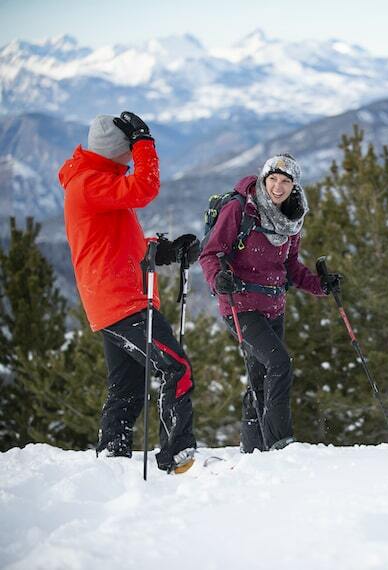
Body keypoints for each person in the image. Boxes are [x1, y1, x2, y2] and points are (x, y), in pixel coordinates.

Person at [59, 112, 199, 473]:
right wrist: (145, 143)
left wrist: (162, 249)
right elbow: (145, 189)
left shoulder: (94, 180)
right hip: (121, 302)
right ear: (118, 150)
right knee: (176, 368)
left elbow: (118, 243)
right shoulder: (90, 182)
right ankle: (178, 454)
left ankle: (111, 460)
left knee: (127, 387)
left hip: (114, 298)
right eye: (129, 149)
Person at [199, 154, 338, 452]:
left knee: (259, 379)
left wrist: (321, 285)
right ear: (263, 179)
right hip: (240, 305)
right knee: (280, 363)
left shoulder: (291, 220)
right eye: (273, 179)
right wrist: (217, 279)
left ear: (294, 186)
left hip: (274, 307)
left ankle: (253, 451)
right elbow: (210, 253)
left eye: (286, 181)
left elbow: (290, 267)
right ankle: (280, 444)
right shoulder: (240, 209)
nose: (278, 186)